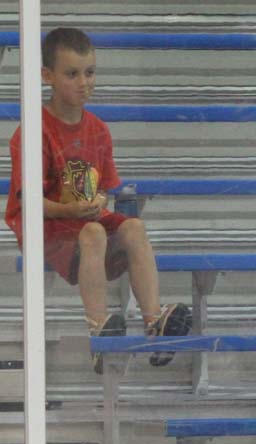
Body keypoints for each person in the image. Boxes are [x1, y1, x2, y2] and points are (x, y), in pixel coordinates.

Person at [5, 27, 191, 374]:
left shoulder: (99, 130)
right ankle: (99, 331)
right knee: (93, 233)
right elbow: (28, 201)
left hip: (85, 221)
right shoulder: (33, 131)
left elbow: (105, 186)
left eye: (89, 72)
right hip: (49, 226)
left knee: (133, 227)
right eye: (72, 74)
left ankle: (154, 322)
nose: (83, 82)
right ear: (47, 76)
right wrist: (72, 209)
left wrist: (97, 199)